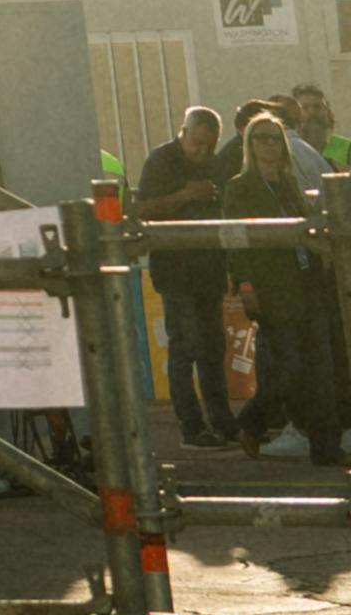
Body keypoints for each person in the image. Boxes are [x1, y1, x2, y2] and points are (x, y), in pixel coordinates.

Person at [237, 101, 344, 467]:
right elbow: (237, 244)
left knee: (322, 369)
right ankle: (252, 418)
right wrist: (246, 287)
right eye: (261, 139)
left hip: (309, 284)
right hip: (273, 291)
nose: (269, 145)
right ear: (250, 145)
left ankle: (326, 448)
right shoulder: (240, 188)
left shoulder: (290, 185)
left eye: (274, 139)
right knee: (289, 368)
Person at [136, 105, 236, 456]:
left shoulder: (214, 164)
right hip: (176, 271)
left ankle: (222, 421)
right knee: (186, 346)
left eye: (209, 145)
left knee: (212, 348)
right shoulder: (161, 161)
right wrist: (184, 196)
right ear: (183, 132)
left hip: (208, 269)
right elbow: (141, 210)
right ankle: (191, 426)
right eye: (197, 143)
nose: (202, 151)